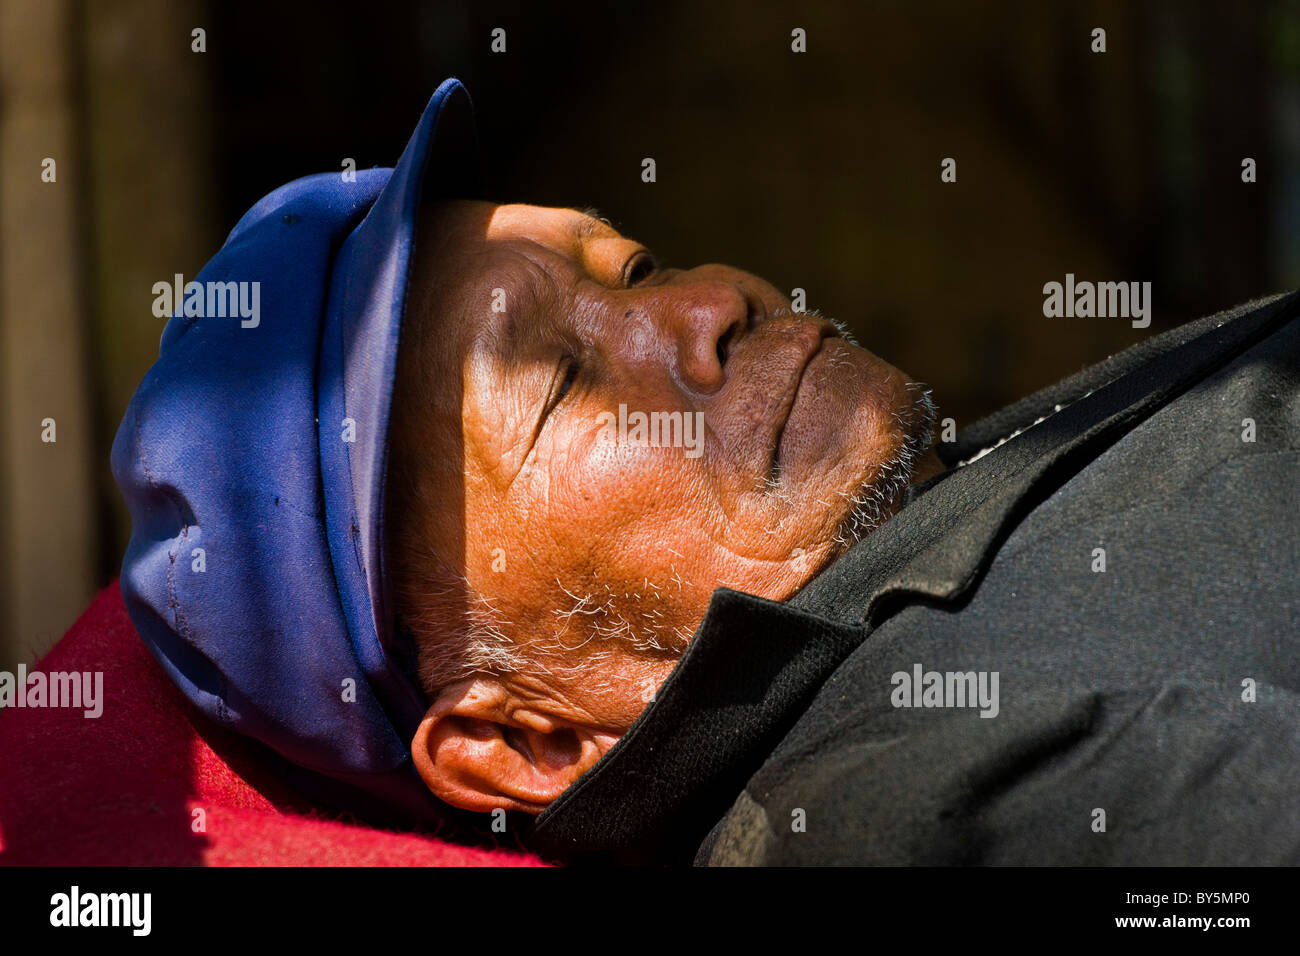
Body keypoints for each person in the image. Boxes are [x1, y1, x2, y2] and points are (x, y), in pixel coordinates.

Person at [107, 79, 1300, 866]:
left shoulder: (945, 541)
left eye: (634, 266)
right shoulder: (920, 803)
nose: (706, 305)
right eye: (567, 382)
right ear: (526, 744)